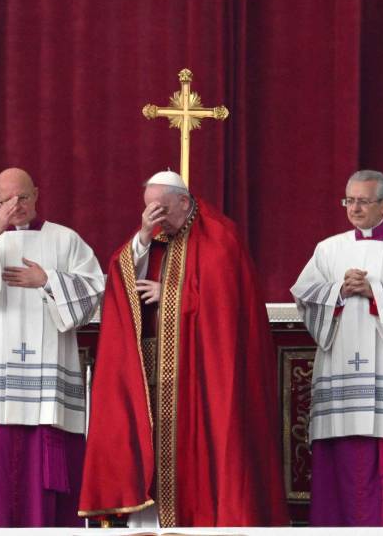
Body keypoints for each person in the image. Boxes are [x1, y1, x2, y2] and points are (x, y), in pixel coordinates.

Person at [79, 170, 289, 528]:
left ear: (184, 201)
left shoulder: (220, 236)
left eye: (161, 210)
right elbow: (120, 273)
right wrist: (143, 236)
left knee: (206, 447)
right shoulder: (153, 234)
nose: (155, 218)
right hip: (152, 367)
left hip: (200, 371)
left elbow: (227, 307)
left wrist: (170, 295)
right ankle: (151, 526)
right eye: (148, 211)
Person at [0, 168, 105, 527]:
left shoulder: (65, 240)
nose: (17, 205)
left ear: (37, 193)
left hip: (49, 392)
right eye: (7, 200)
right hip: (0, 389)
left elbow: (94, 289)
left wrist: (47, 280)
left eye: (23, 196)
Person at [289, 170, 383, 526]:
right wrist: (338, 291)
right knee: (341, 457)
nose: (354, 208)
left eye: (363, 201)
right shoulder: (328, 249)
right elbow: (303, 294)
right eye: (349, 200)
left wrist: (376, 291)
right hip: (342, 366)